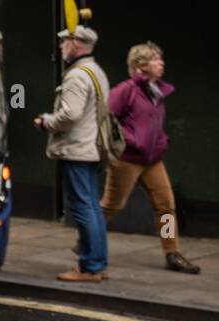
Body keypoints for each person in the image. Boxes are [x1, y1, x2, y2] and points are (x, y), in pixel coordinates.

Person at [101, 43, 200, 274]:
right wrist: (130, 139)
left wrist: (161, 140)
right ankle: (88, 239)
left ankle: (172, 252)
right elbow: (106, 119)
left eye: (160, 59)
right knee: (112, 206)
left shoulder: (156, 93)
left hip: (152, 158)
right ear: (141, 66)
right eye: (156, 60)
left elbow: (152, 124)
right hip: (127, 158)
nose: (161, 63)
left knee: (166, 206)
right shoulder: (125, 91)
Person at [34, 24, 111, 282]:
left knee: (82, 208)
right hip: (92, 149)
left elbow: (70, 114)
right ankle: (98, 263)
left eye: (64, 41)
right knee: (92, 207)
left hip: (76, 150)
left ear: (75, 44)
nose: (61, 46)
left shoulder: (77, 75)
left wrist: (46, 122)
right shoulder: (97, 72)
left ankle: (90, 266)